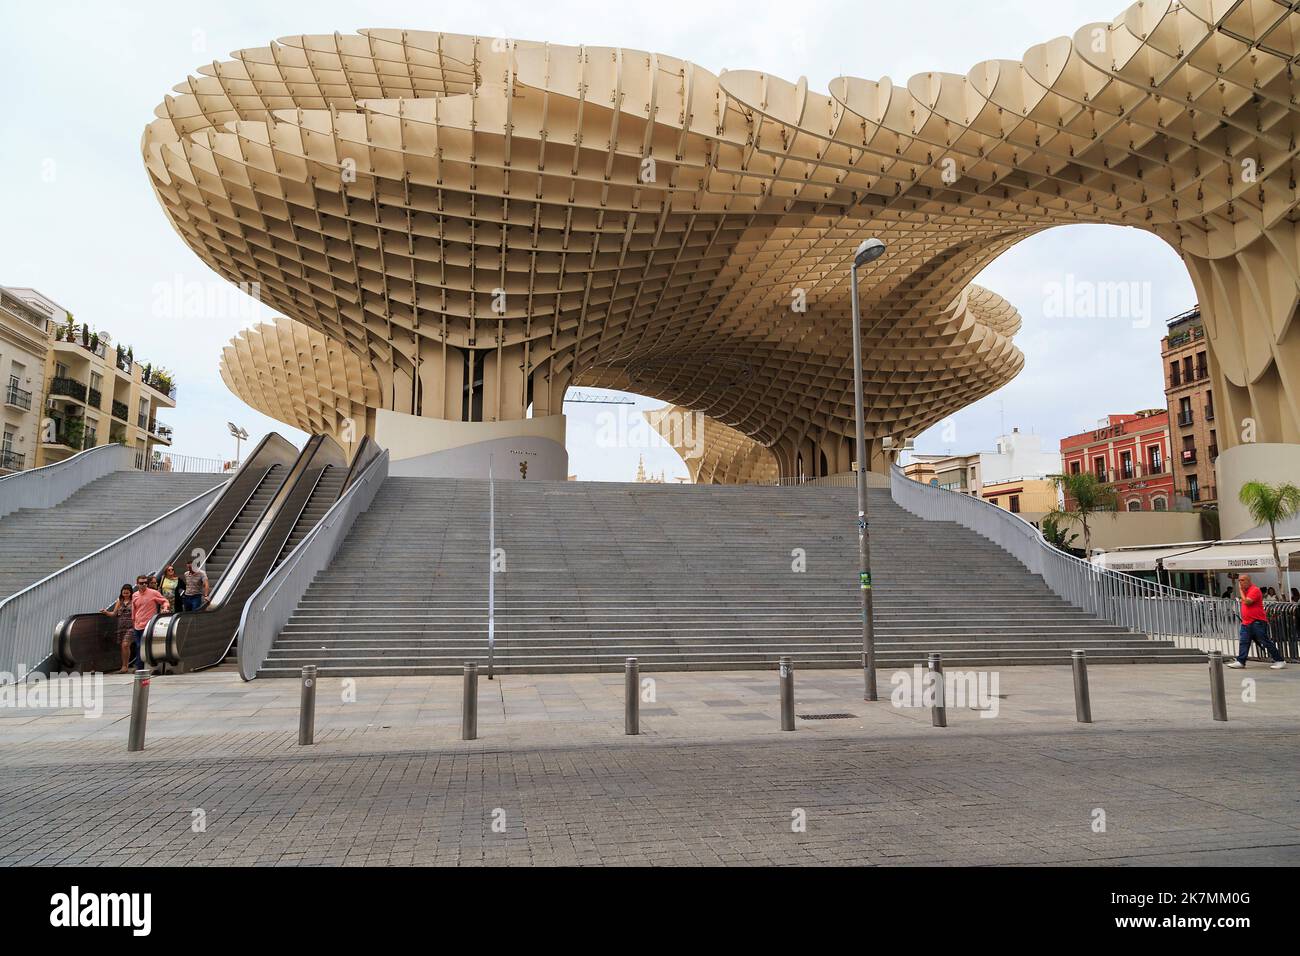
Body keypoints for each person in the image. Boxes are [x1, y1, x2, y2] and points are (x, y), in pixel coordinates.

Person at [1228, 573, 1287, 670]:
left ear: (1248, 581)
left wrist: (1240, 591)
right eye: (1239, 580)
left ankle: (1279, 660)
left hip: (1257, 621)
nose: (1240, 582)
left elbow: (1247, 602)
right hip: (1246, 622)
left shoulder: (1254, 590)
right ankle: (1241, 661)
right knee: (1244, 642)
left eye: (1242, 580)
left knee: (1265, 641)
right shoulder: (1245, 591)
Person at [128, 574, 169, 670]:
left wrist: (165, 607)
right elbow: (134, 610)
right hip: (137, 625)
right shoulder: (135, 595)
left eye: (146, 583)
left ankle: (140, 668)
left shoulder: (153, 593)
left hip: (148, 625)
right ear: (137, 584)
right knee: (138, 646)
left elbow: (164, 601)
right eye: (141, 583)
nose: (144, 585)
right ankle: (141, 667)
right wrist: (133, 621)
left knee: (142, 646)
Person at [100, 584, 136, 674]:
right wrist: (106, 612)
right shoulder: (119, 601)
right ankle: (125, 665)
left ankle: (125, 666)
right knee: (123, 647)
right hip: (121, 627)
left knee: (125, 644)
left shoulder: (134, 600)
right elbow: (114, 614)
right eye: (124, 589)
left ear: (131, 592)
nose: (125, 591)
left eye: (127, 590)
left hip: (131, 626)